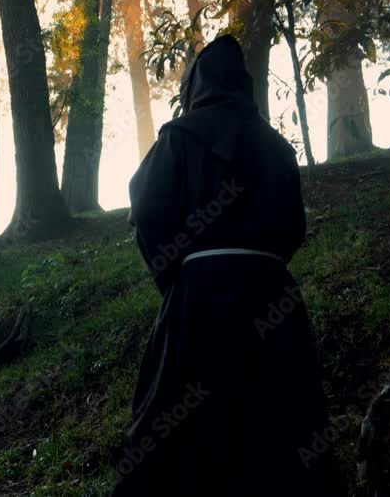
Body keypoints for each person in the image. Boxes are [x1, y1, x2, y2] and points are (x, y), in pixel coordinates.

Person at [111, 35, 344, 496]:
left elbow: (147, 206)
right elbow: (292, 227)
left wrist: (176, 272)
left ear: (196, 85)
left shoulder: (179, 137)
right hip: (272, 299)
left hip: (200, 298)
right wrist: (262, 265)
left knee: (177, 419)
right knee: (280, 414)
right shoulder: (276, 147)